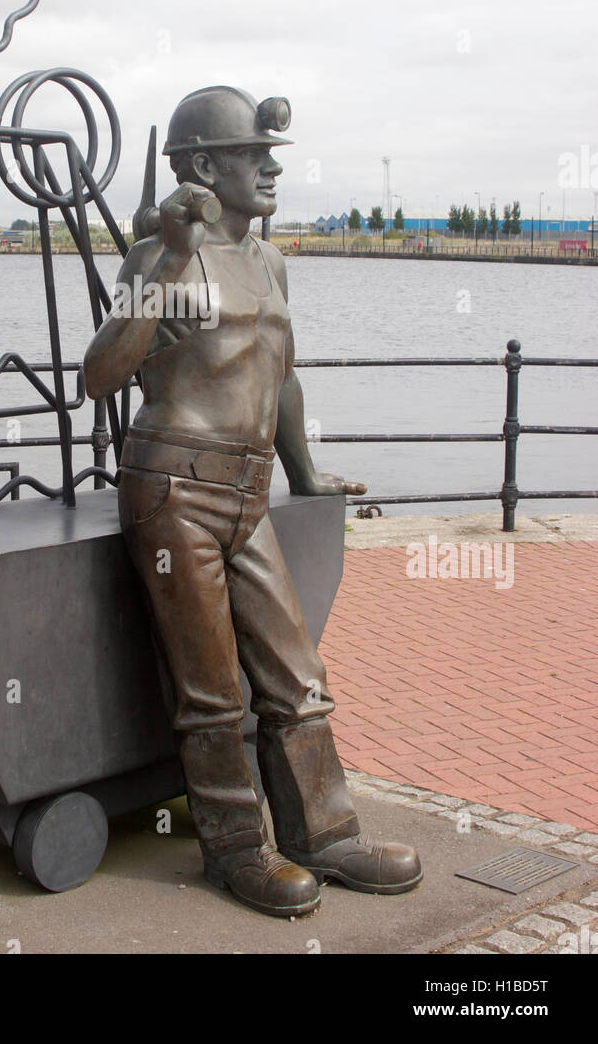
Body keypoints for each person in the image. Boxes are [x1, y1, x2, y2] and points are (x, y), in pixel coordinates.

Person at [83, 86, 421, 918]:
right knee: (212, 690)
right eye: (252, 156)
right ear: (203, 167)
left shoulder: (269, 262)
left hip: (249, 492)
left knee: (297, 675)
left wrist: (304, 474)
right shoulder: (157, 259)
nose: (271, 170)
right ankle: (236, 850)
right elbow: (98, 376)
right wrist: (165, 259)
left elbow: (281, 373)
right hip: (174, 492)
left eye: (272, 156)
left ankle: (325, 833)